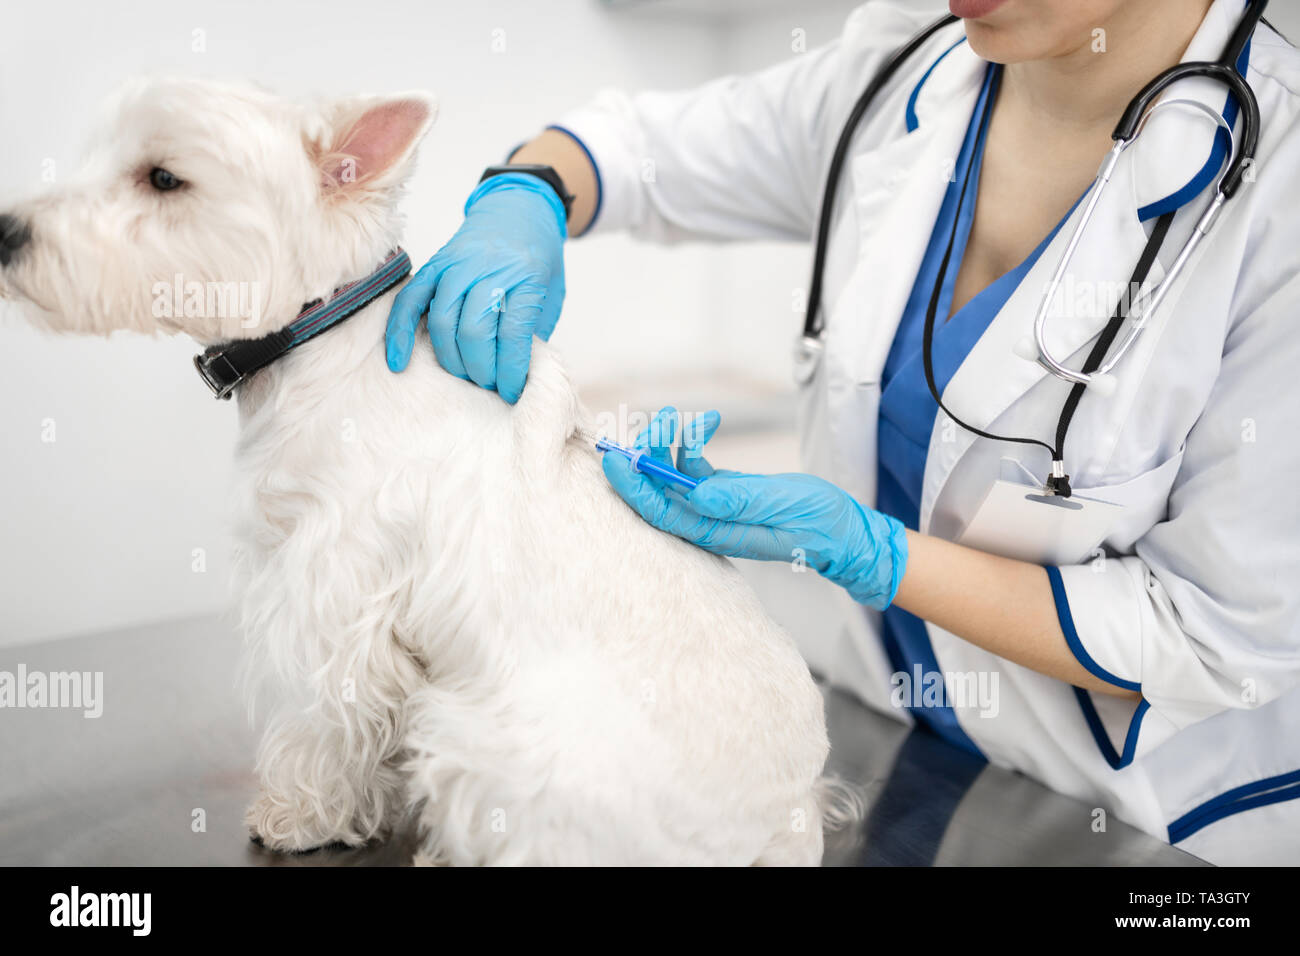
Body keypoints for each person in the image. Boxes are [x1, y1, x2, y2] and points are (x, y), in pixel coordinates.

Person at [384, 0, 1300, 865]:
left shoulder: (1278, 192)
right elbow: (633, 151)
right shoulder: (906, 70)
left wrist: (874, 554)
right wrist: (528, 196)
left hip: (1146, 824)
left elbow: (1216, 637)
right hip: (891, 754)